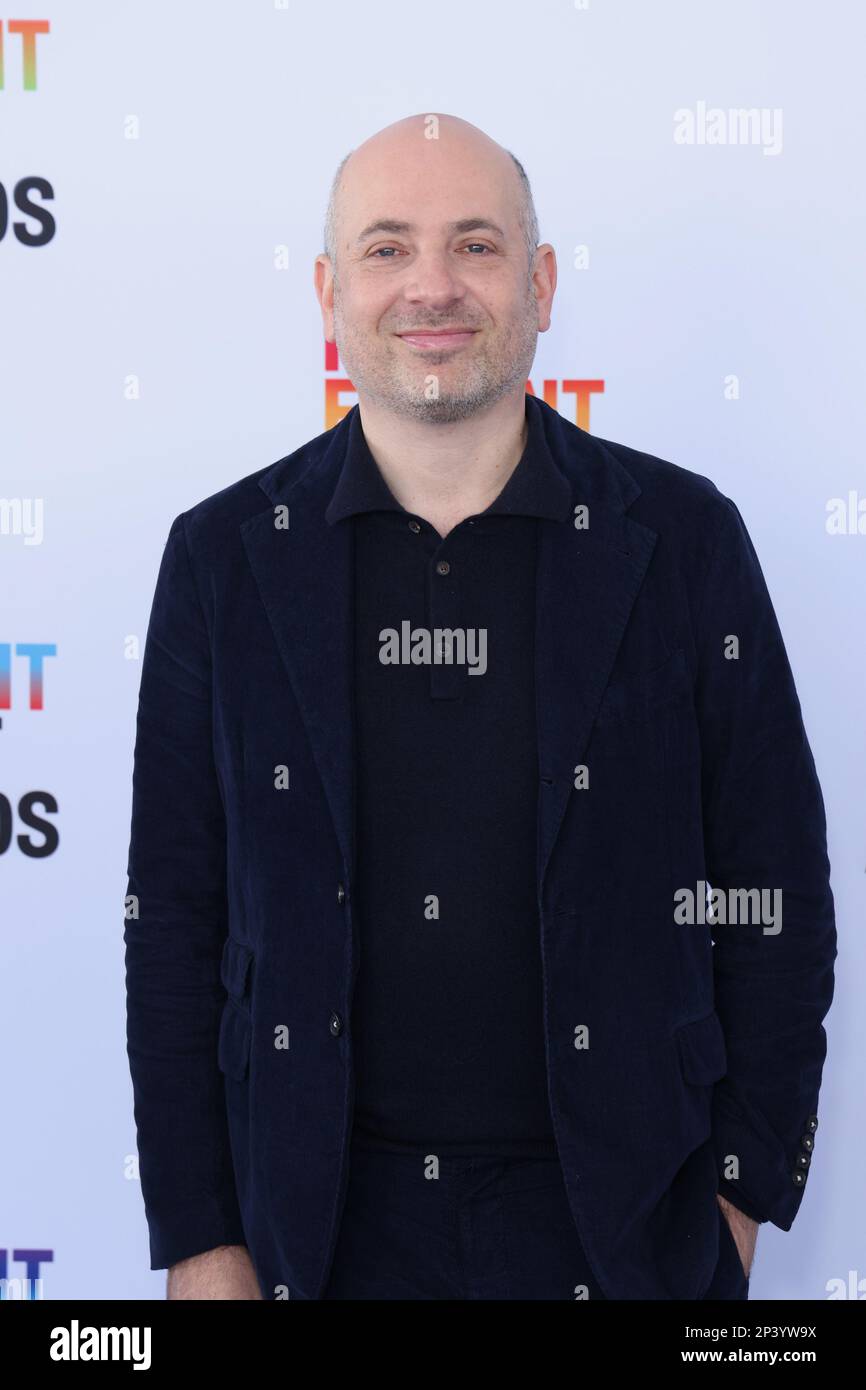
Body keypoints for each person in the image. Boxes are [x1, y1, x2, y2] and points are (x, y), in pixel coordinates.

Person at [124, 112, 836, 1300]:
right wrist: (202, 1243)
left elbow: (775, 895)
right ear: (329, 290)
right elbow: (175, 927)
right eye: (387, 248)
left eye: (476, 244)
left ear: (542, 282)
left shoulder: (683, 540)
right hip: (313, 1236)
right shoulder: (222, 560)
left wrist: (734, 1200)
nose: (433, 287)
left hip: (625, 1234)